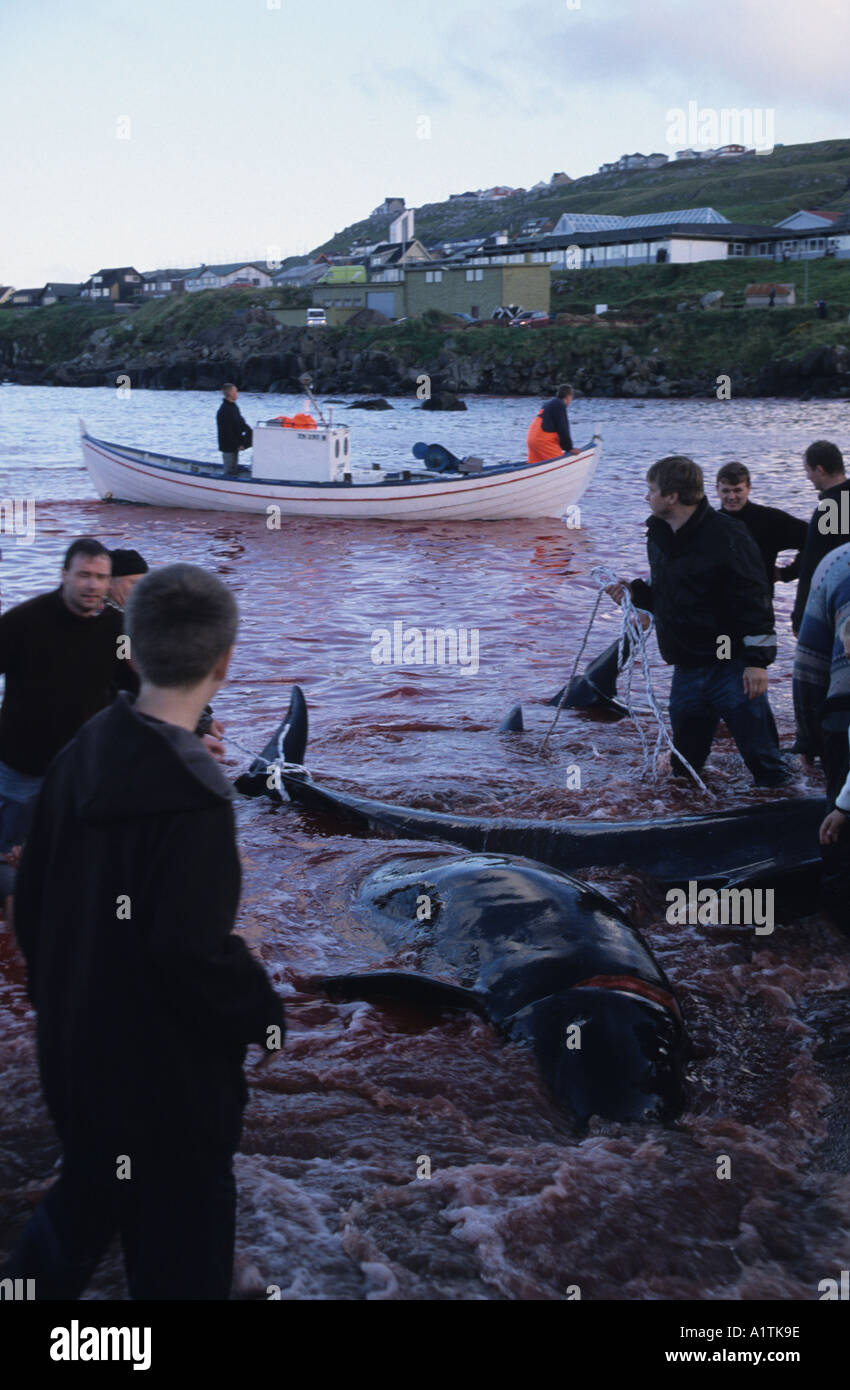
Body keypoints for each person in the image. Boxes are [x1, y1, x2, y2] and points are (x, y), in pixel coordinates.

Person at [3, 564, 285, 1299]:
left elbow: (31, 902)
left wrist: (63, 999)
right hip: (167, 1087)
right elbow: (187, 956)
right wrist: (260, 1002)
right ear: (225, 661)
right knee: (181, 1257)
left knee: (88, 1201)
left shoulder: (87, 748)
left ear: (130, 646)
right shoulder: (196, 798)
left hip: (75, 1054)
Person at [611, 455, 789, 787]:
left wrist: (757, 663)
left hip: (731, 664)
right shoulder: (659, 535)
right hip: (687, 667)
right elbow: (668, 595)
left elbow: (755, 600)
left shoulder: (728, 535)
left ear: (672, 496)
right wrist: (634, 594)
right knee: (685, 768)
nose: (646, 497)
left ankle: (791, 819)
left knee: (765, 763)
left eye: (651, 490)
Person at [0, 538, 138, 856]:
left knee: (76, 858)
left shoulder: (116, 629)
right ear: (64, 575)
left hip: (84, 768)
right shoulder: (23, 622)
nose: (92, 585)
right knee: (10, 862)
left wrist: (197, 724)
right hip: (22, 767)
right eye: (84, 575)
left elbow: (138, 684)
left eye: (101, 578)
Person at [107, 547, 224, 757]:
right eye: (134, 583)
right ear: (110, 583)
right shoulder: (116, 627)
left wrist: (202, 719)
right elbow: (135, 681)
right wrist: (193, 732)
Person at [794, 547, 850, 930]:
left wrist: (808, 738)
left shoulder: (834, 562)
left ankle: (839, 937)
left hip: (839, 712)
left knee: (840, 844)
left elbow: (810, 663)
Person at [715, 462, 807, 592]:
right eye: (726, 491)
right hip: (717, 606)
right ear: (717, 490)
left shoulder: (770, 519)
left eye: (737, 490)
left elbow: (813, 539)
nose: (731, 497)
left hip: (758, 604)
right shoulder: (710, 524)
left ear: (749, 488)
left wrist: (788, 573)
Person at [791, 441, 848, 636]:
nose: (808, 477)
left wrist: (800, 617)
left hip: (836, 610)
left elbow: (817, 563)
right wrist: (789, 572)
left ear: (820, 470)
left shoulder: (830, 508)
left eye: (808, 471)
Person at [526, 384, 581, 465]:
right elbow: (563, 429)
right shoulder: (560, 405)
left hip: (531, 438)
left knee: (535, 467)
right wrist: (569, 448)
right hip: (543, 441)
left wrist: (564, 447)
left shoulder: (548, 404)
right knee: (560, 464)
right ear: (569, 396)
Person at [217, 384, 252, 477]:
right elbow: (226, 432)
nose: (237, 394)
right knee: (230, 471)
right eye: (235, 392)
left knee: (234, 469)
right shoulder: (224, 410)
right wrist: (237, 444)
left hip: (235, 444)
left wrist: (250, 432)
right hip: (228, 445)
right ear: (230, 393)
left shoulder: (234, 407)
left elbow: (241, 423)